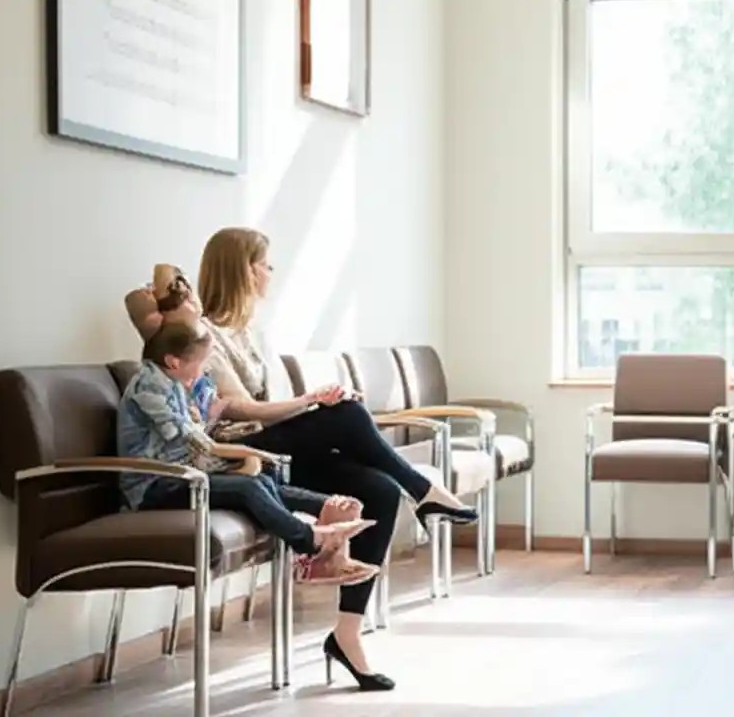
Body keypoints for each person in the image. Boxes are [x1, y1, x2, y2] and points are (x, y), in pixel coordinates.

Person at [124, 227, 477, 691]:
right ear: (244, 270)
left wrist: (315, 402)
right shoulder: (199, 335)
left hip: (278, 447)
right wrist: (312, 402)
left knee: (380, 489)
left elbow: (276, 401)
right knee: (347, 414)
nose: (271, 272)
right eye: (265, 264)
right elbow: (240, 409)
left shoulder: (252, 334)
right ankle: (425, 493)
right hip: (244, 450)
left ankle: (346, 634)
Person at [117, 321, 379, 587]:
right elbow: (199, 443)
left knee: (263, 481)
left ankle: (325, 524)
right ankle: (311, 542)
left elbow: (191, 438)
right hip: (155, 487)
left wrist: (209, 417)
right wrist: (248, 453)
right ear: (173, 361)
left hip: (183, 476)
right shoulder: (149, 388)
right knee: (248, 487)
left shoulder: (171, 383)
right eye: (200, 362)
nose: (204, 369)